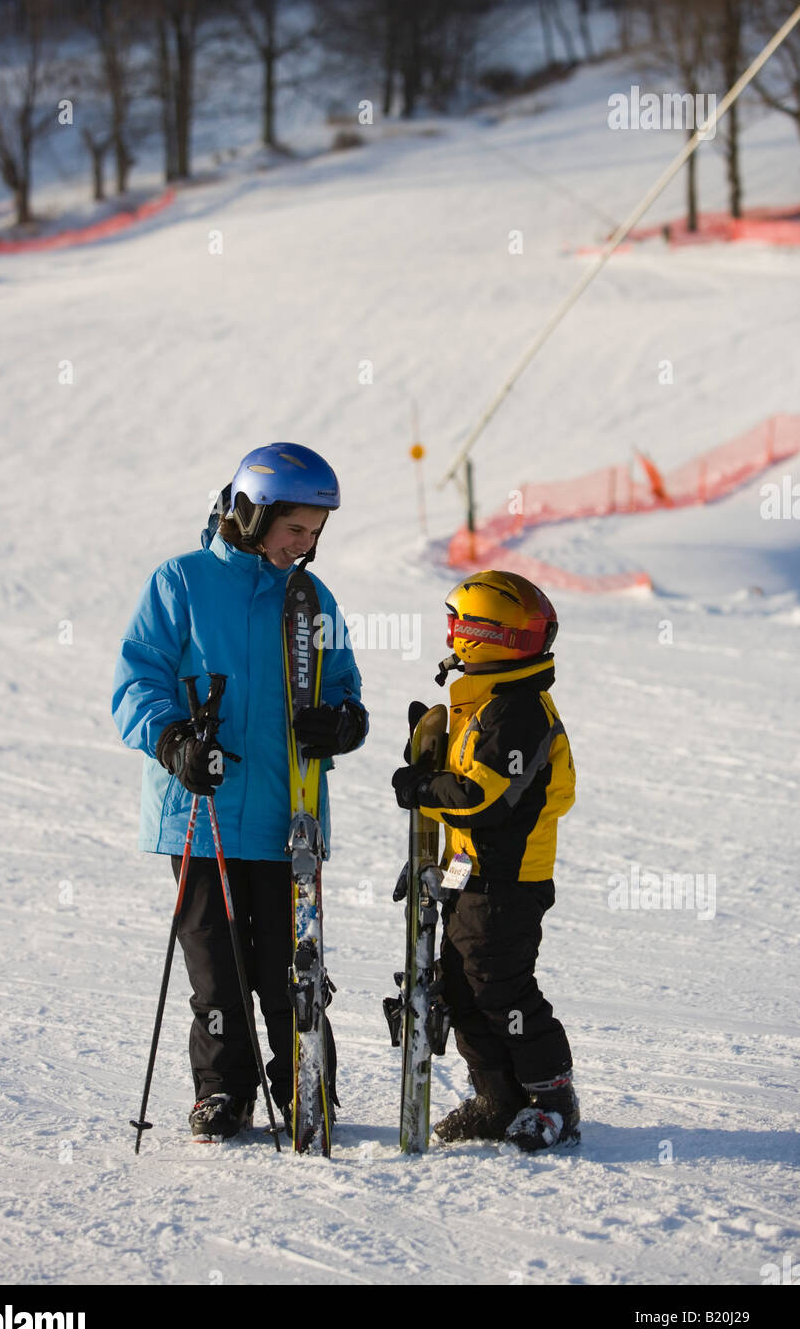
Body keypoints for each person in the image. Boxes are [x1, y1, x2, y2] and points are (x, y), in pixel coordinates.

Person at [112, 443, 367, 1141]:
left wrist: (343, 721)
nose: (305, 545)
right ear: (252, 514)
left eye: (316, 533)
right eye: (295, 530)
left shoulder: (311, 599)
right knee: (217, 977)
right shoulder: (182, 583)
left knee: (290, 972)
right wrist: (172, 743)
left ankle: (304, 1086)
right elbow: (137, 683)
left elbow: (345, 685)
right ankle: (223, 1092)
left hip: (288, 824)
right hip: (202, 817)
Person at [391, 570, 579, 1151]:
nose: (450, 637)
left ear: (481, 635)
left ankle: (551, 1101)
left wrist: (422, 788)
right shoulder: (487, 704)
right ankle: (498, 1099)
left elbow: (481, 798)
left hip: (509, 881)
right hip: (473, 875)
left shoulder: (518, 711)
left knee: (500, 986)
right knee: (459, 987)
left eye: (456, 626)